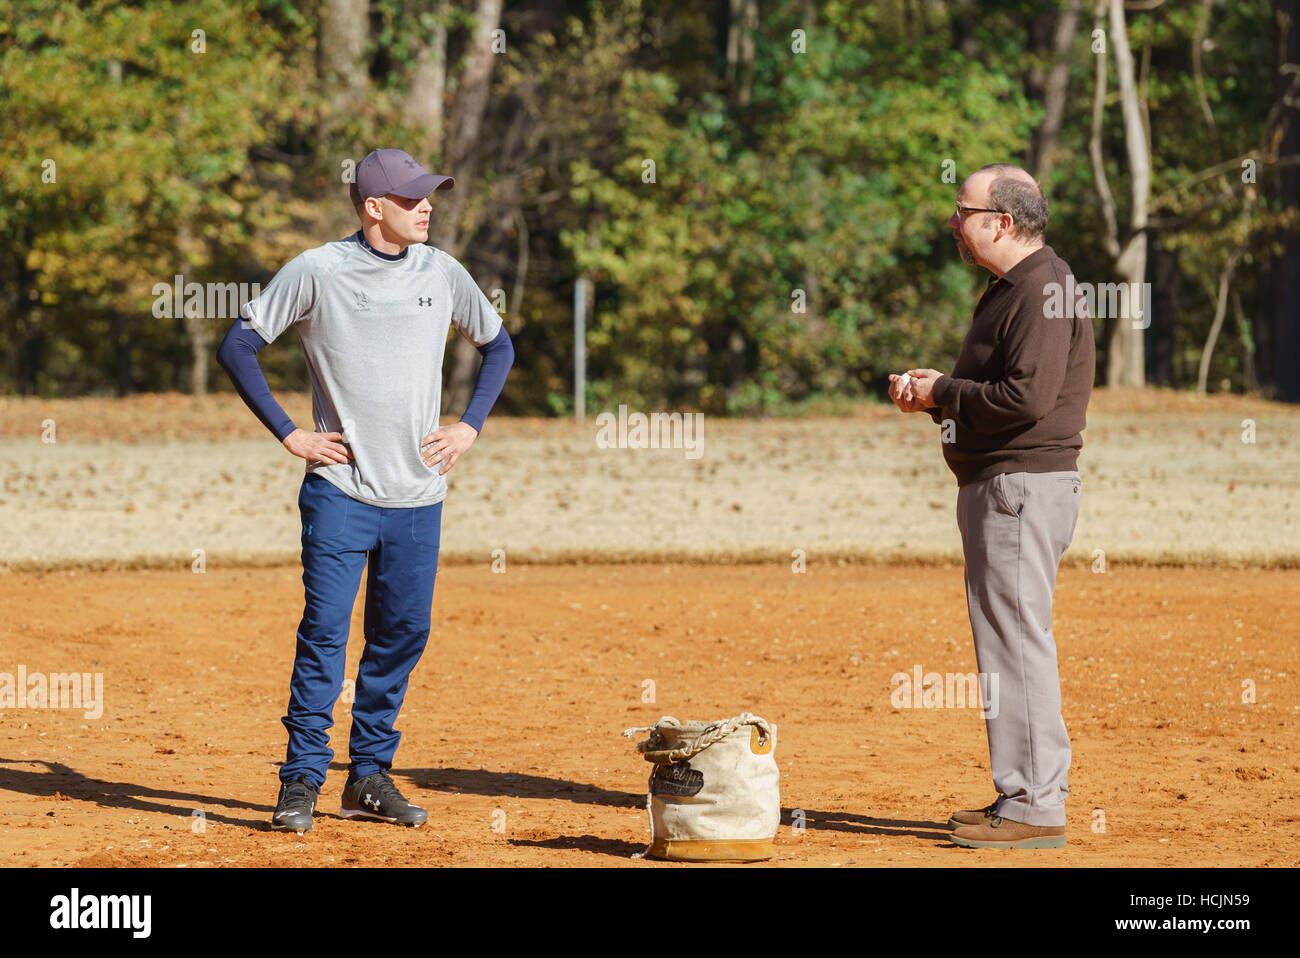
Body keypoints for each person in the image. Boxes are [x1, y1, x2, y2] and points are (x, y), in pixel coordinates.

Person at [216, 148, 514, 833]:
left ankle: (369, 778)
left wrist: (469, 427)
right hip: (340, 492)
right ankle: (301, 782)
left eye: (429, 196)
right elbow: (240, 343)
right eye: (413, 199)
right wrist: (292, 433)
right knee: (324, 636)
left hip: (418, 497)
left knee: (401, 634)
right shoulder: (319, 270)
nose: (427, 207)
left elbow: (498, 346)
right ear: (373, 207)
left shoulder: (443, 272)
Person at [889, 163, 1095, 849]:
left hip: (1019, 490)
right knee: (1009, 640)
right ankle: (1026, 793)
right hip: (1009, 487)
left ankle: (1035, 806)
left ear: (1002, 222)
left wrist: (945, 391)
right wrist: (937, 397)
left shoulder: (1042, 287)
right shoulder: (1015, 288)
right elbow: (1001, 400)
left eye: (961, 209)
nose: (953, 221)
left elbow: (1026, 403)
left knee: (1014, 642)